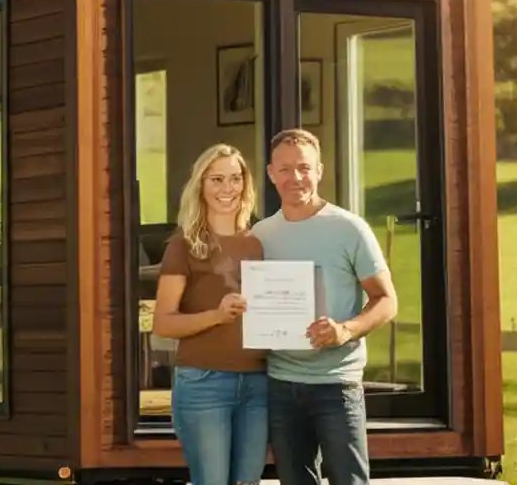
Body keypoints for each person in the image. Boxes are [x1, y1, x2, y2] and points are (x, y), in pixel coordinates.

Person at [252, 128, 398, 485]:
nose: (295, 178)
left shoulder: (349, 228)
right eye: (285, 169)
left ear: (319, 171)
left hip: (336, 384)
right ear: (271, 174)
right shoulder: (260, 235)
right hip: (281, 382)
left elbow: (386, 300)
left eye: (304, 168)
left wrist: (345, 330)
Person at [154, 143, 268, 485]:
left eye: (235, 178)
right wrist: (216, 316)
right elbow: (163, 323)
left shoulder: (261, 241)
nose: (227, 188)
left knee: (247, 482)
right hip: (204, 383)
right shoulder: (184, 245)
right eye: (216, 179)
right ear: (201, 185)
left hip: (259, 384)